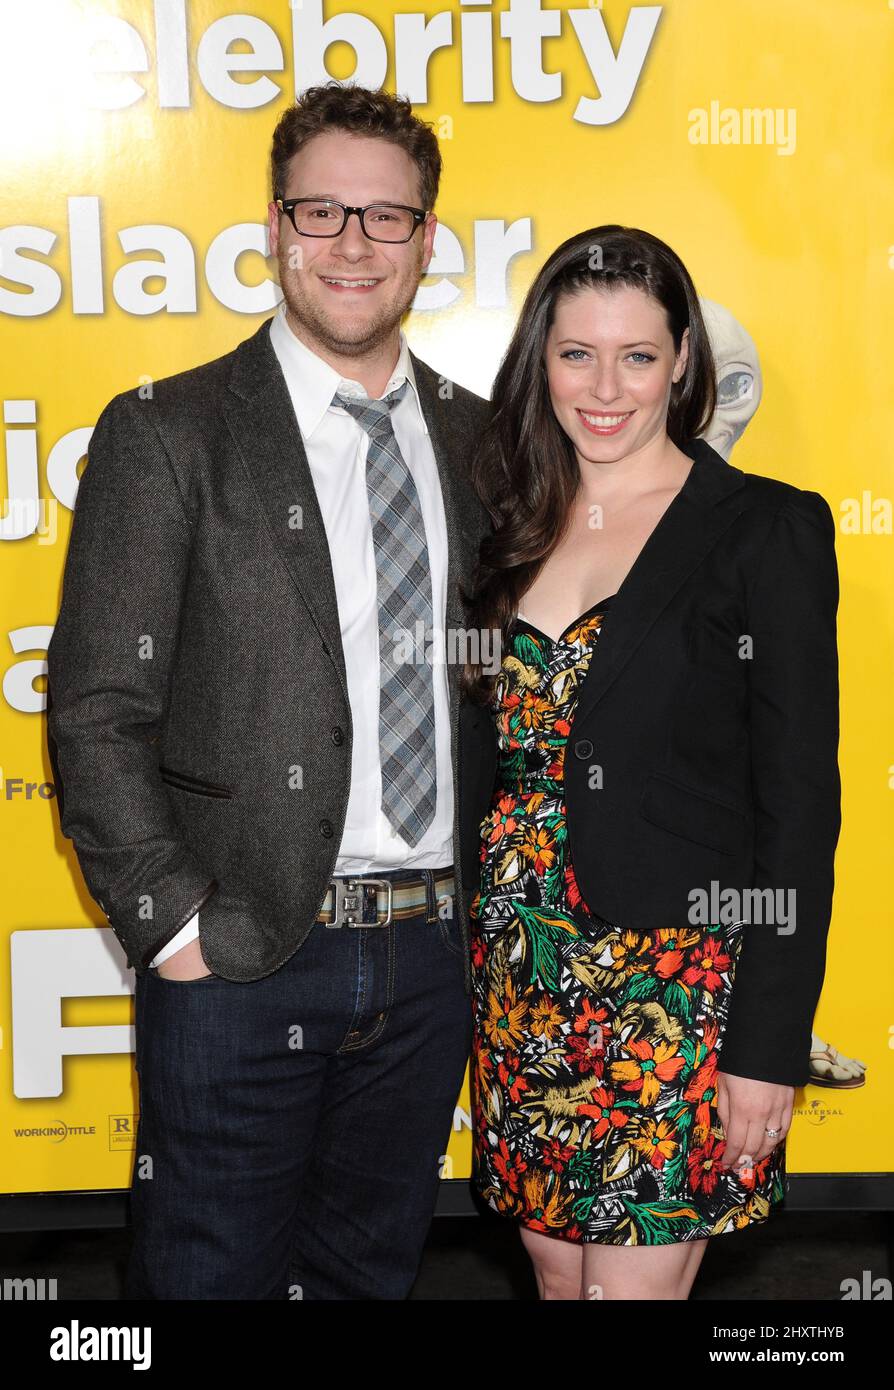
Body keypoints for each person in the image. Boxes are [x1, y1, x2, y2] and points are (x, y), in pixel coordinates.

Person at [46, 82, 491, 1300]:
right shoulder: (170, 431)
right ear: (276, 228)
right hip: (241, 960)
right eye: (323, 211)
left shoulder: (486, 442)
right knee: (205, 1283)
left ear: (427, 242)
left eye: (386, 217)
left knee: (369, 1278)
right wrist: (177, 928)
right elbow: (95, 705)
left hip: (432, 960)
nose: (353, 244)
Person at [458, 225, 841, 1300]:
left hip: (671, 994)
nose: (606, 386)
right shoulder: (510, 524)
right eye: (578, 353)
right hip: (519, 976)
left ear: (683, 360)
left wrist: (769, 1044)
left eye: (637, 354)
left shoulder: (763, 530)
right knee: (556, 1277)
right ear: (541, 359)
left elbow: (799, 807)